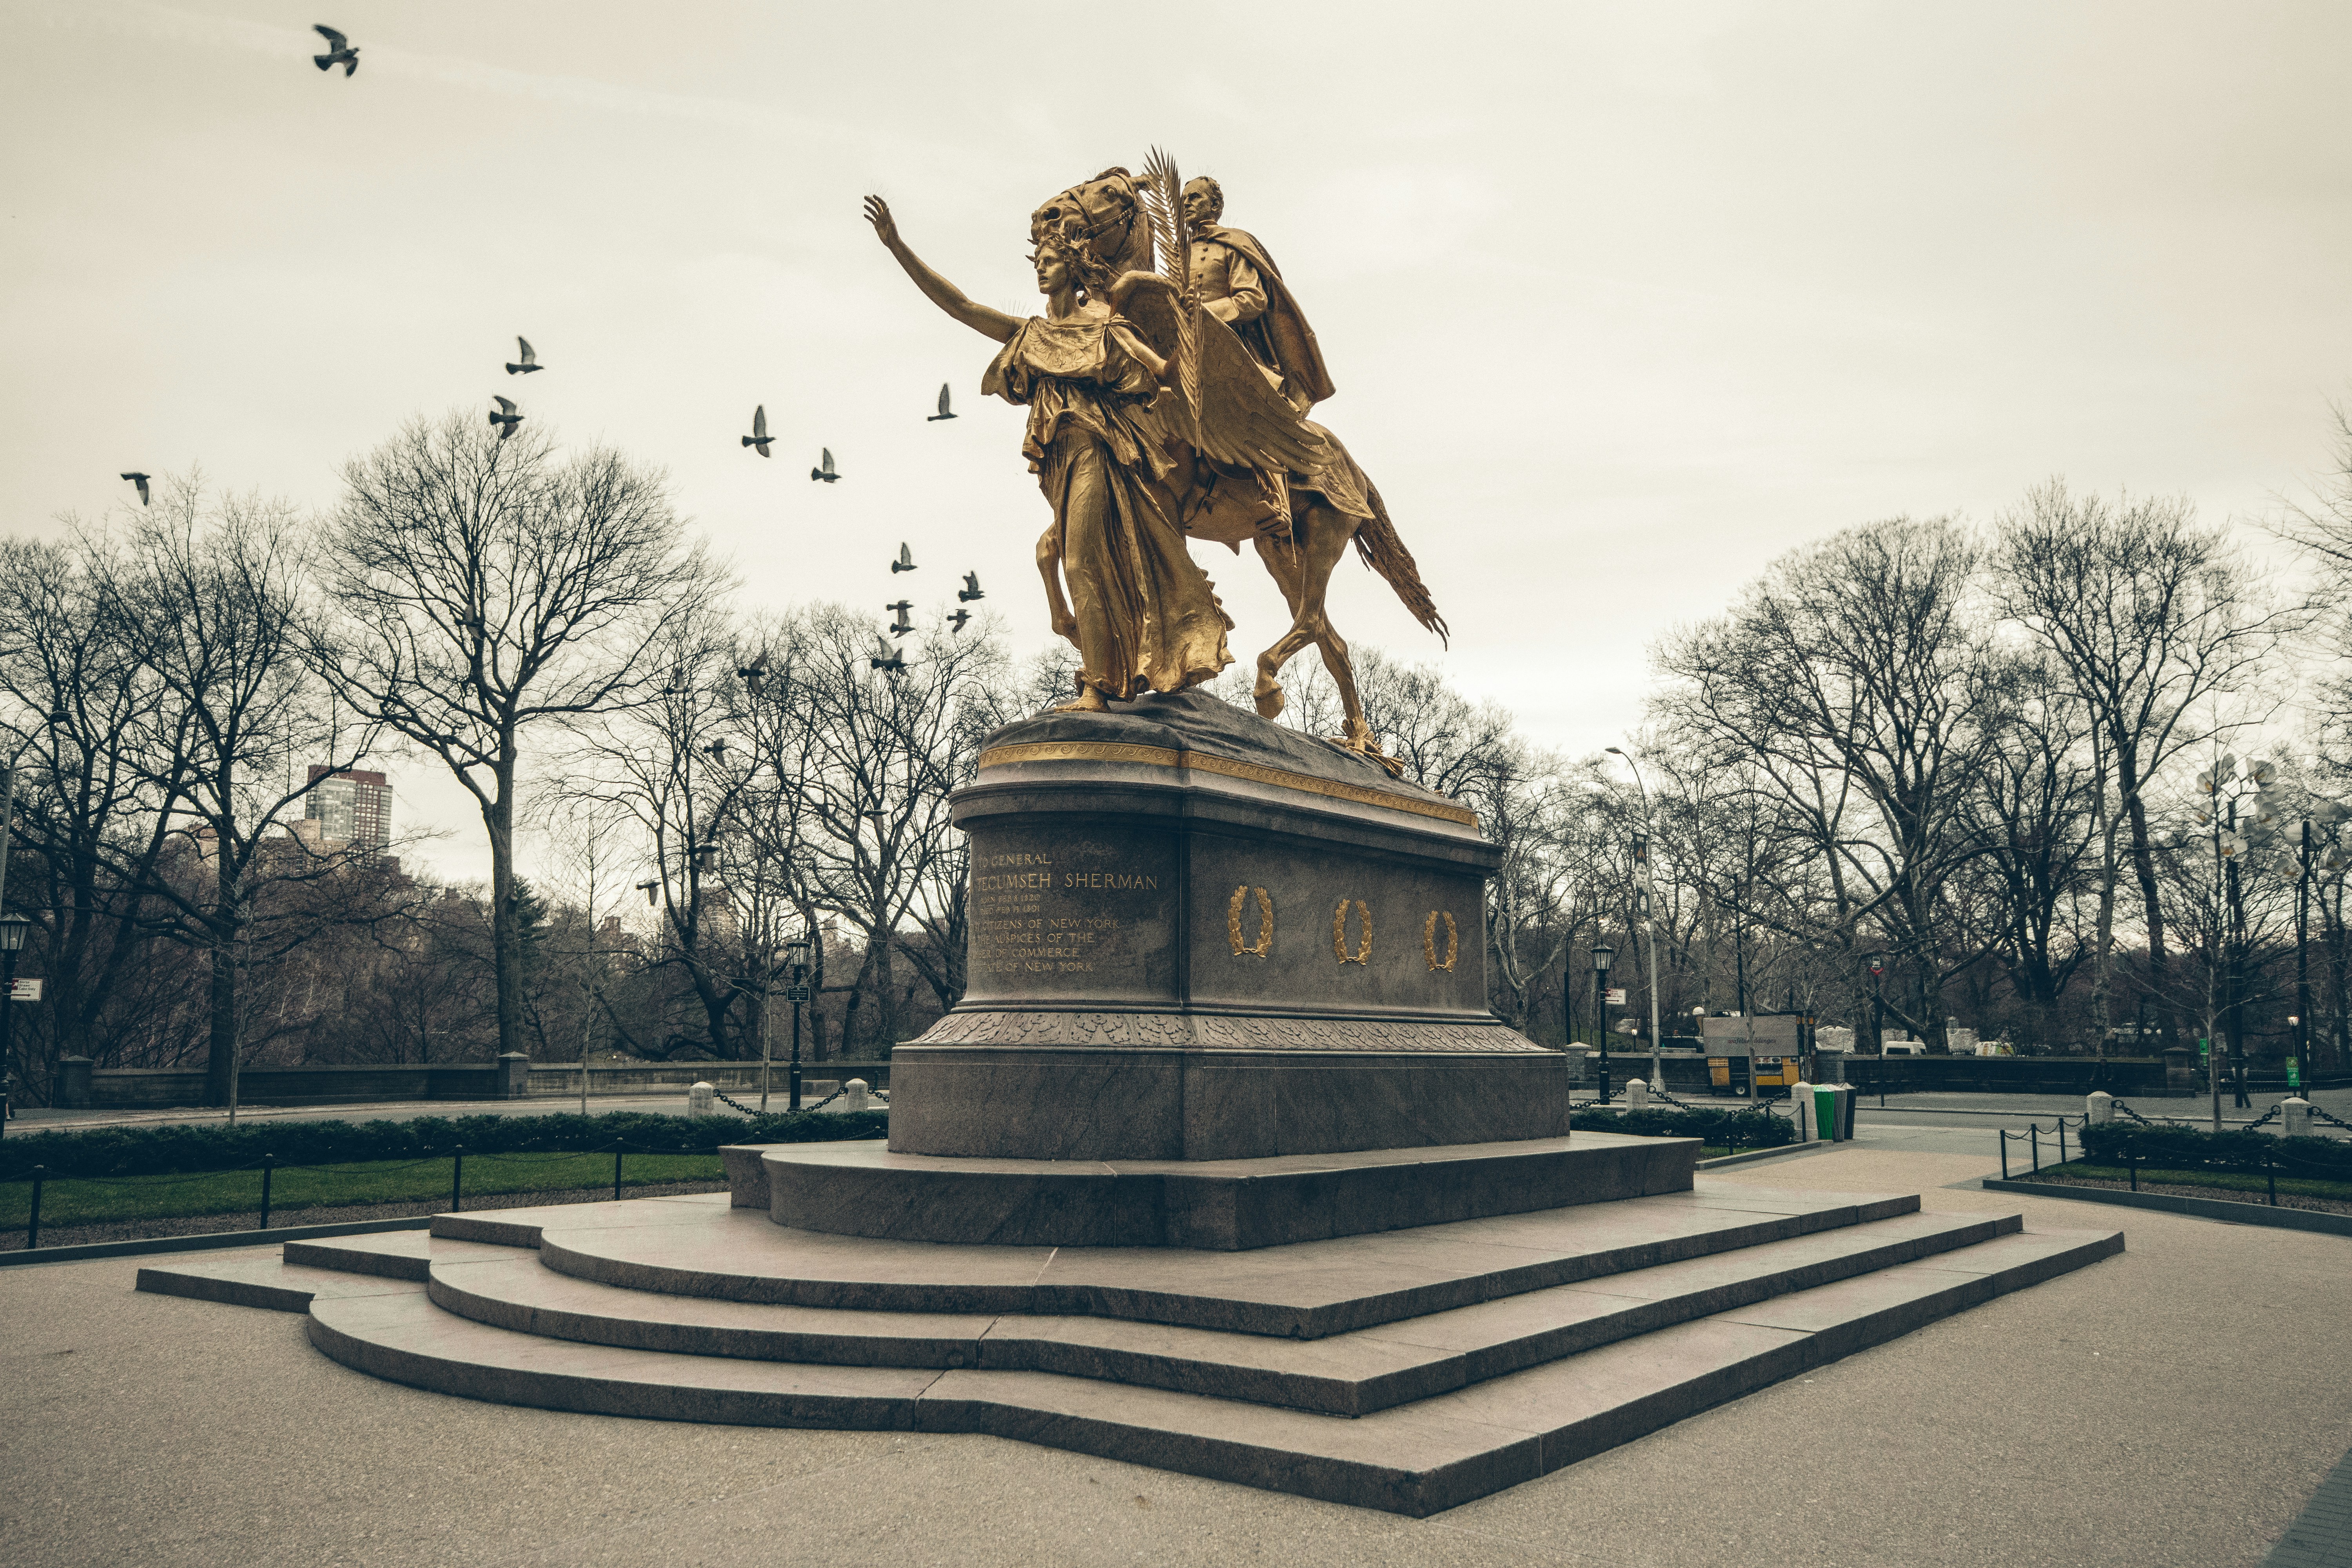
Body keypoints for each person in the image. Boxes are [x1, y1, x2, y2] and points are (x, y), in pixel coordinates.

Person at [862, 194, 1233, 711]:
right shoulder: (1032, 335)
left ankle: (1097, 687)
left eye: (1051, 261)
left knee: (1079, 561)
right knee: (1084, 562)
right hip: (1058, 464)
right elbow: (961, 307)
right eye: (1037, 261)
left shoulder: (1108, 329)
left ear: (1074, 269)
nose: (1041, 268)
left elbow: (1165, 372)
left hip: (1098, 453)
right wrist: (897, 247)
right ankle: (1110, 674)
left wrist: (1191, 322)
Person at [1180, 176, 1336, 412]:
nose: (1186, 204)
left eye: (1194, 197)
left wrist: (1206, 311)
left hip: (1227, 343)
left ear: (1214, 205)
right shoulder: (1179, 254)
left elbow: (1253, 299)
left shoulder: (1232, 244)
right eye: (1184, 199)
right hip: (1183, 342)